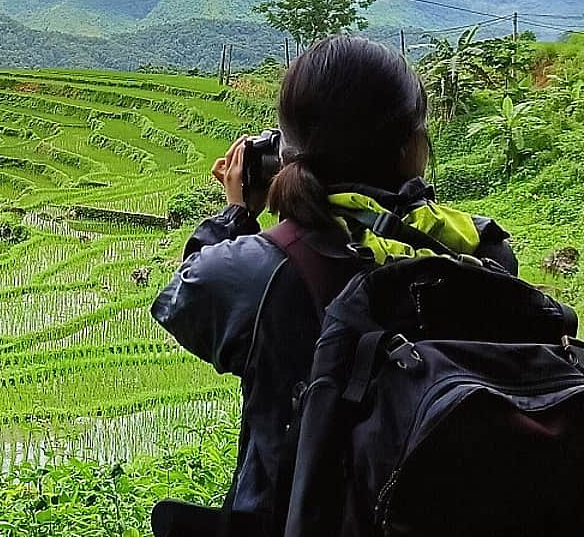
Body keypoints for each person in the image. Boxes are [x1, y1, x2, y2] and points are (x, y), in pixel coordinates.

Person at [150, 36, 516, 533]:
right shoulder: (482, 249)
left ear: (288, 151)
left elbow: (181, 297)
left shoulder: (263, 269)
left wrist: (236, 212)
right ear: (411, 146)